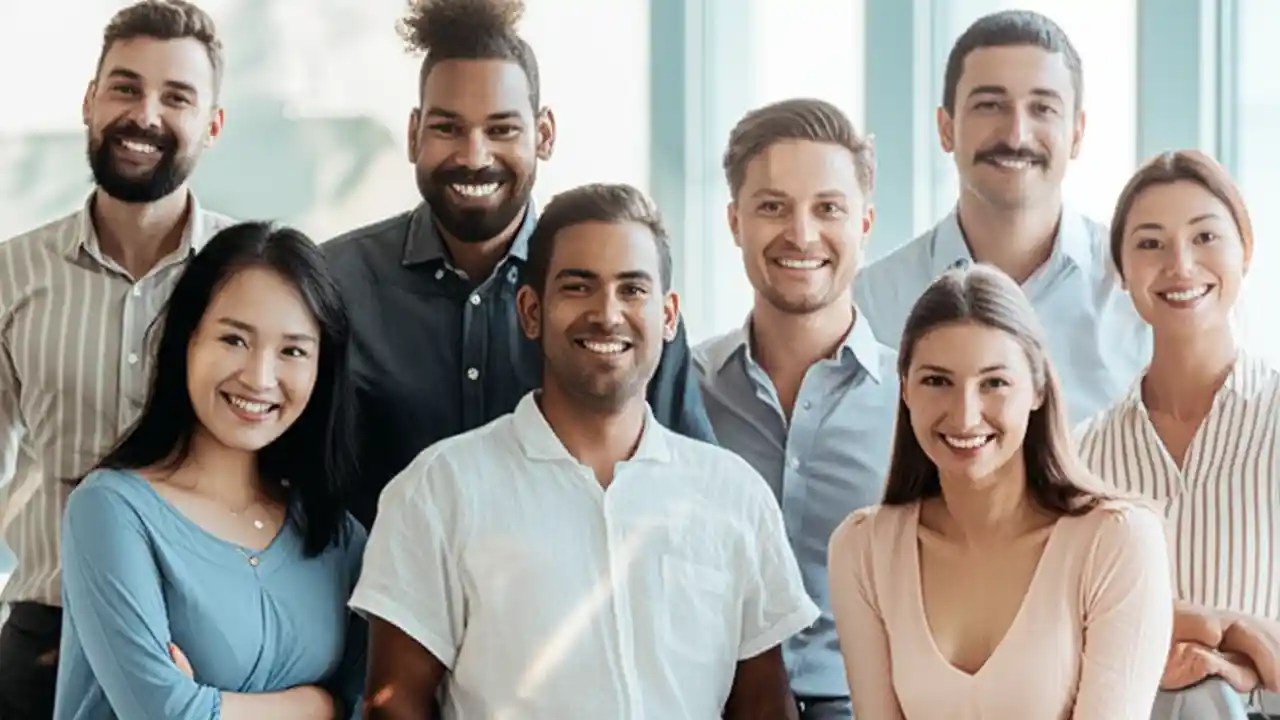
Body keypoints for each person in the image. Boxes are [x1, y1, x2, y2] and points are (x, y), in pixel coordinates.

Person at [350, 183, 819, 720]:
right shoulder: (439, 489)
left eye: (632, 290)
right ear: (531, 311)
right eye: (578, 287)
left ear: (668, 317)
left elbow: (764, 703)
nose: (607, 313)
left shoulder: (733, 495)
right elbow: (394, 704)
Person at [322, 0, 714, 527]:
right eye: (447, 128)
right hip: (379, 602)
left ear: (544, 134)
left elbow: (694, 485)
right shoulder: (335, 284)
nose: (474, 155)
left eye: (502, 129)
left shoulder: (615, 302)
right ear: (414, 133)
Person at [0, 2, 231, 715]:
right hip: (46, 639)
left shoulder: (249, 279)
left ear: (212, 126)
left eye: (177, 97)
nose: (145, 115)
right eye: (126, 88)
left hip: (203, 644)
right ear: (90, 101)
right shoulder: (11, 275)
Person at [829, 263, 1172, 719]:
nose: (966, 415)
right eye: (937, 381)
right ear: (905, 391)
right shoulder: (862, 549)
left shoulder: (1117, 541)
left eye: (994, 383)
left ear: (1037, 390)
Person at [54, 222, 367, 719]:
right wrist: (316, 705)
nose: (260, 378)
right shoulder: (110, 510)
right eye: (234, 339)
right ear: (187, 340)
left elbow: (365, 703)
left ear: (320, 370)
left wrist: (215, 706)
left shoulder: (334, 533)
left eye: (293, 351)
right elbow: (163, 713)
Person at [694, 98, 897, 720]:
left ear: (864, 224)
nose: (801, 234)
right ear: (735, 222)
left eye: (827, 208)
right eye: (772, 207)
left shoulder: (922, 400)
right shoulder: (680, 389)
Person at [854, 9, 1148, 425]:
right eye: (990, 106)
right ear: (946, 128)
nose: (1015, 135)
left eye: (1043, 108)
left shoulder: (1137, 298)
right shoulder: (871, 306)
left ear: (1077, 134)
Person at [1076, 150, 1280, 718]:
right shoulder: (1082, 454)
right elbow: (1071, 643)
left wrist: (1242, 671)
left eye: (1206, 237)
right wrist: (1234, 635)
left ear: (1247, 250)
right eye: (1150, 243)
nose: (1181, 266)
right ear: (1120, 270)